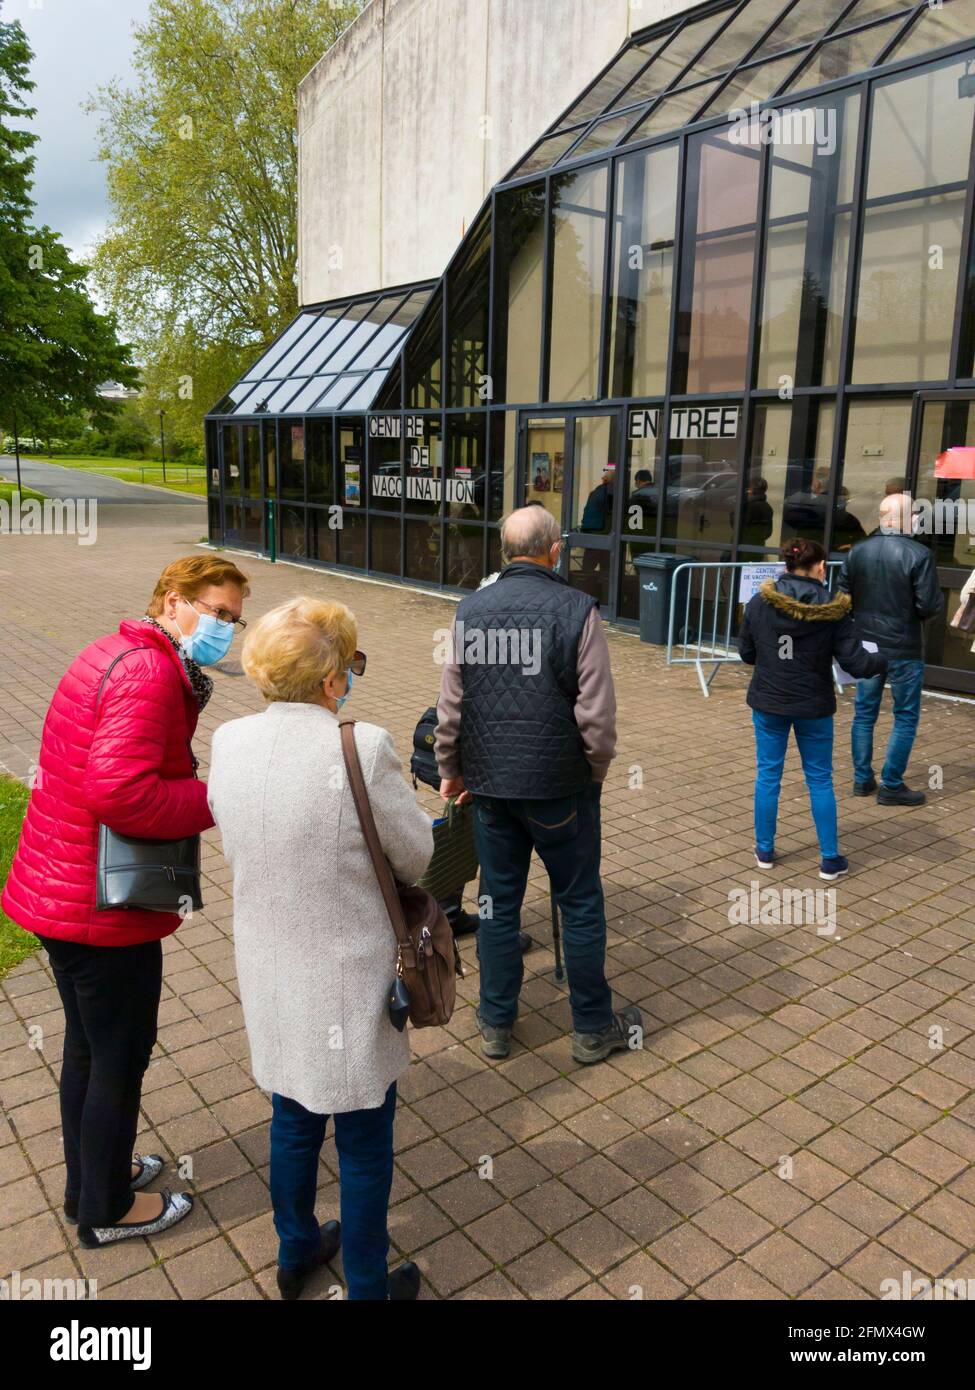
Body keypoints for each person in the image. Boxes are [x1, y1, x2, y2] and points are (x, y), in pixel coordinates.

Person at [1, 555, 250, 1247]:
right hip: (97, 906)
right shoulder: (147, 672)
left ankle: (94, 1179)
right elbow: (122, 793)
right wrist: (216, 797)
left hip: (61, 885)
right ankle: (106, 1211)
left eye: (234, 618)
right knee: (118, 1054)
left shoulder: (120, 650)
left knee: (88, 1047)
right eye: (216, 613)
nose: (226, 629)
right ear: (173, 602)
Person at [207, 597, 433, 1301]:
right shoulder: (359, 746)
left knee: (292, 1117)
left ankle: (296, 1248)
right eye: (352, 664)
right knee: (364, 1138)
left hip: (270, 967)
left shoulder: (229, 741)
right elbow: (417, 855)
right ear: (332, 680)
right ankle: (366, 1287)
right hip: (346, 976)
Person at [435, 505, 641, 1064]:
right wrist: (593, 772)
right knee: (578, 903)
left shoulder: (471, 611)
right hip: (560, 787)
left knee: (498, 905)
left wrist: (450, 769)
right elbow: (597, 717)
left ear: (506, 551)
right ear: (555, 549)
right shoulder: (577, 609)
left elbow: (451, 705)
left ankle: (496, 1022)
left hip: (491, 789)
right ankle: (592, 1027)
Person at [738, 538, 886, 880]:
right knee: (819, 779)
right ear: (820, 567)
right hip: (813, 705)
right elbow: (857, 662)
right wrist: (885, 659)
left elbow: (746, 653)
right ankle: (830, 859)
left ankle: (764, 850)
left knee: (768, 775)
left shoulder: (760, 603)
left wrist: (774, 659)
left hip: (769, 701)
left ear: (786, 566)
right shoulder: (833, 609)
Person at [838, 492, 944, 805]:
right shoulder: (918, 554)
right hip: (904, 647)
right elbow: (928, 605)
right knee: (905, 715)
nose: (916, 521)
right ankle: (892, 784)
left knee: (864, 712)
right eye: (913, 515)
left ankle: (862, 779)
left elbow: (843, 599)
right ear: (897, 519)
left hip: (867, 645)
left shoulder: (857, 551)